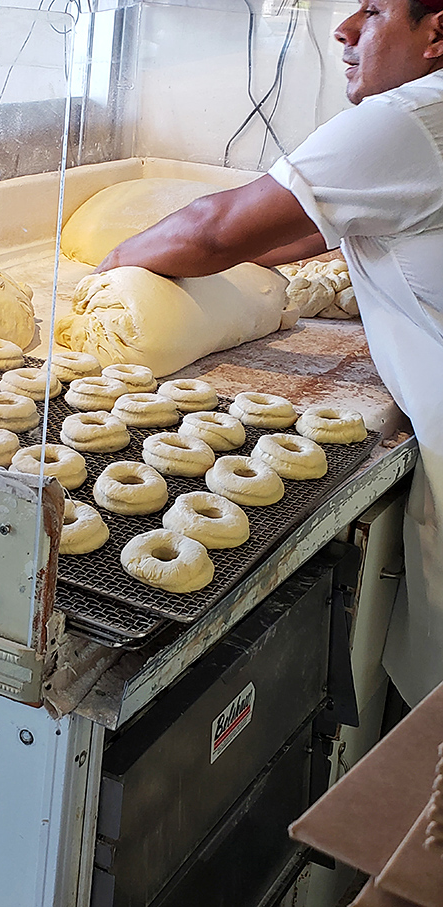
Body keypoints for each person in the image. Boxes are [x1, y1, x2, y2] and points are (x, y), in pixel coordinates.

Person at [96, 0, 443, 707]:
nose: (343, 28)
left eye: (374, 10)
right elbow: (307, 228)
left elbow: (216, 228)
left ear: (436, 30)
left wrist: (105, 272)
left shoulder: (409, 120)